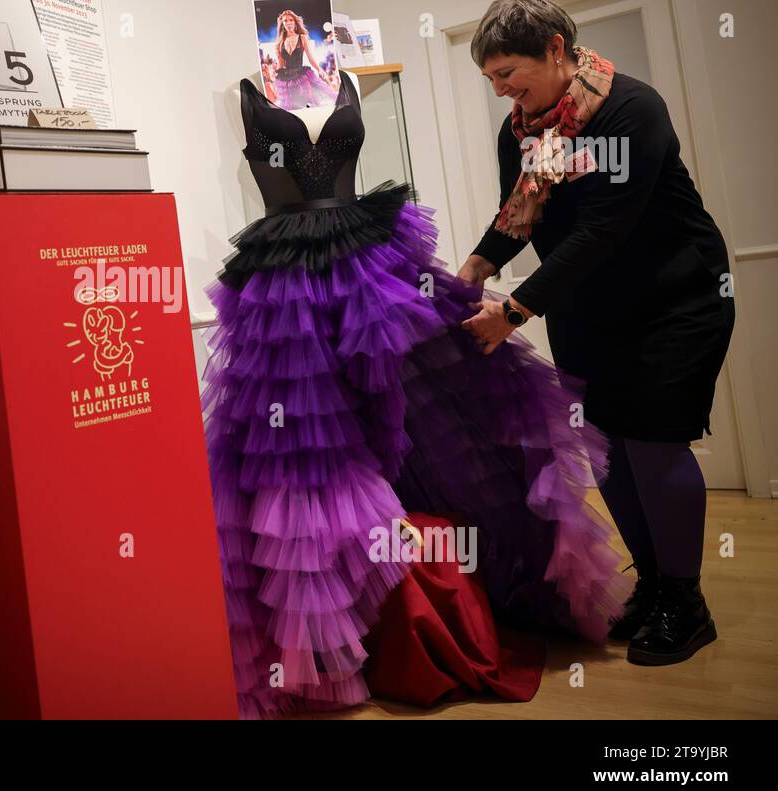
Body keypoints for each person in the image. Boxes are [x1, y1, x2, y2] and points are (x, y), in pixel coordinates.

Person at [202, 68, 626, 718]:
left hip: (374, 259)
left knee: (450, 401)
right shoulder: (251, 93)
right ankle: (331, 643)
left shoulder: (340, 76)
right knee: (312, 444)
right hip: (287, 280)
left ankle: (510, 578)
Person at [458, 0, 735, 666]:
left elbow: (600, 231)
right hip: (586, 305)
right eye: (491, 79)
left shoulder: (631, 110)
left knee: (653, 442)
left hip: (674, 301)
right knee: (606, 446)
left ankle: (687, 604)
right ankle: (657, 586)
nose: (500, 92)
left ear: (556, 49)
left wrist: (514, 312)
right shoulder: (519, 131)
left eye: (508, 73)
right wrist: (468, 272)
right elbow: (514, 216)